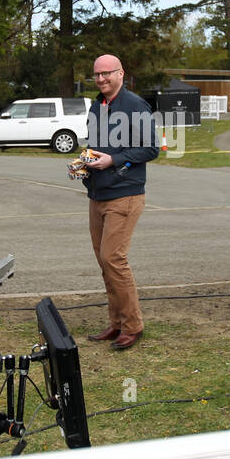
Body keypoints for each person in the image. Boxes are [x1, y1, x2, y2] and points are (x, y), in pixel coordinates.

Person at [83, 54, 158, 351]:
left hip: (125, 193)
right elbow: (97, 145)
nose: (101, 79)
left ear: (121, 74)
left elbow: (150, 148)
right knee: (105, 262)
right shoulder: (96, 106)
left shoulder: (134, 105)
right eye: (97, 75)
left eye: (107, 74)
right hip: (97, 193)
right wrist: (84, 162)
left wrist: (114, 160)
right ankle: (116, 323)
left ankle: (132, 326)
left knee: (114, 259)